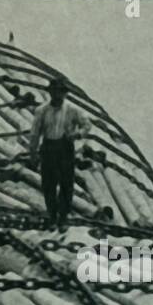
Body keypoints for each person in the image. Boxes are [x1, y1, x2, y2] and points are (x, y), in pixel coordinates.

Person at [27, 77, 90, 225]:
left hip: (65, 148)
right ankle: (52, 215)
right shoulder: (41, 110)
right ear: (50, 93)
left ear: (65, 93)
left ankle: (63, 217)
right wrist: (33, 153)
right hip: (48, 147)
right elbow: (35, 133)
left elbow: (87, 125)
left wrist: (77, 134)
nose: (57, 95)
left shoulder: (72, 109)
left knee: (66, 183)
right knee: (48, 183)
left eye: (61, 92)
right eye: (54, 92)